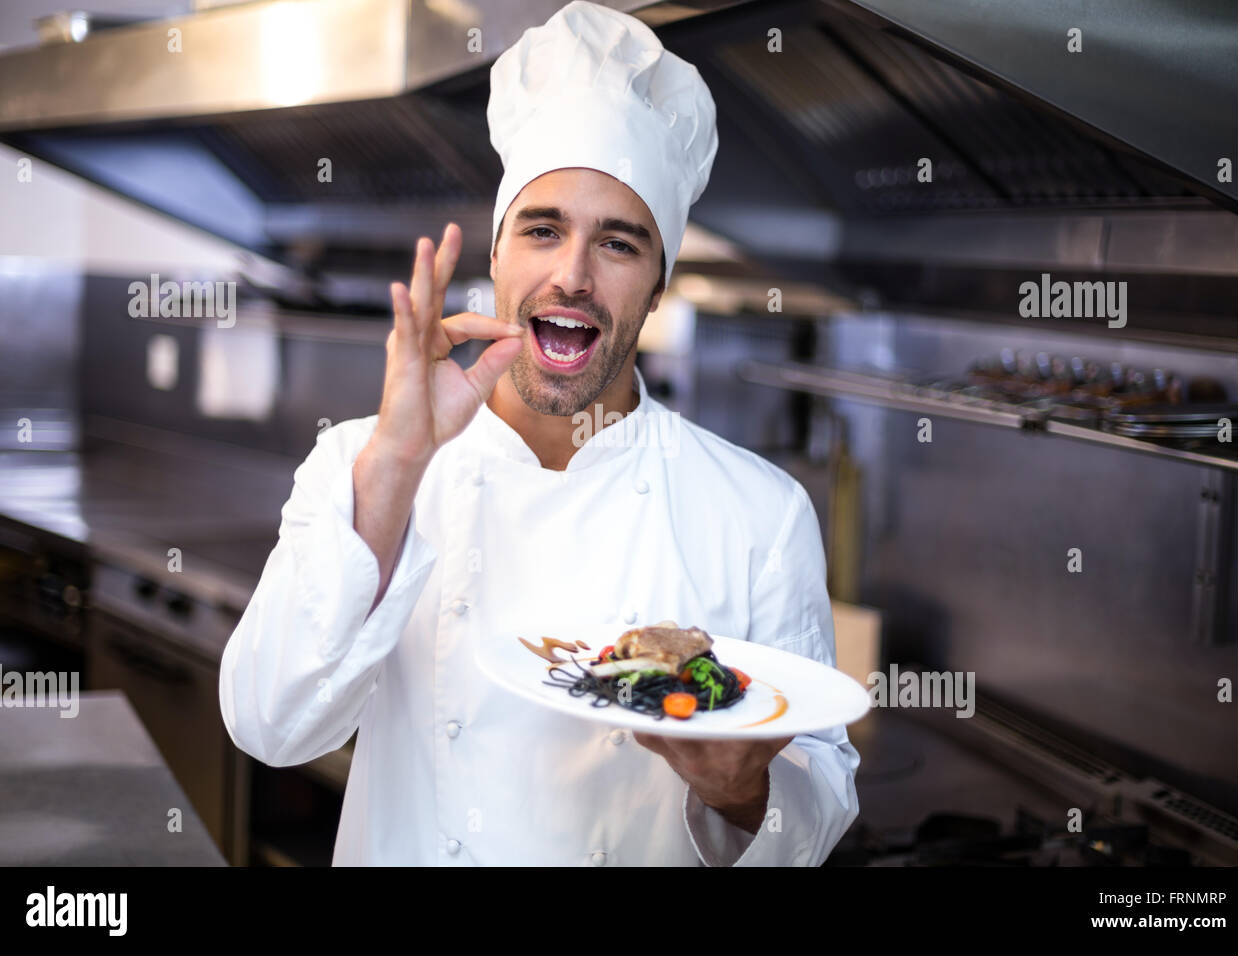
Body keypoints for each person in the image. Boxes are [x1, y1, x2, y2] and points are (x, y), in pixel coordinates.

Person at [219, 0, 859, 866]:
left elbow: (816, 817)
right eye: (543, 229)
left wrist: (742, 791)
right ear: (496, 257)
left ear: (659, 287)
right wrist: (400, 462)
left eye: (620, 244)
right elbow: (270, 726)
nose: (572, 275)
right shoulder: (362, 466)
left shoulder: (759, 514)